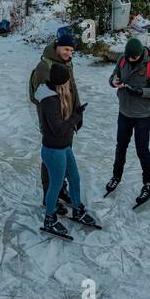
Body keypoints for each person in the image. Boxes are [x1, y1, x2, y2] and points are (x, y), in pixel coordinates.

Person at [36, 63, 94, 238]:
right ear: (61, 84)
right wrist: (77, 116)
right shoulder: (50, 100)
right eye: (67, 83)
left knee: (74, 177)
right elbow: (58, 129)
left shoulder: (55, 96)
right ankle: (50, 218)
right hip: (53, 150)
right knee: (55, 184)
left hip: (64, 147)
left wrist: (75, 112)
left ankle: (77, 209)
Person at [106, 36, 150, 205]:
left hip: (142, 115)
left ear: (140, 54)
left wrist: (140, 91)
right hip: (124, 111)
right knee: (121, 147)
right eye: (128, 56)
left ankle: (148, 184)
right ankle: (116, 176)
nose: (130, 59)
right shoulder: (122, 59)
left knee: (142, 150)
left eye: (134, 57)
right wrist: (113, 81)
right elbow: (113, 76)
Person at [28, 32, 78, 213]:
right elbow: (38, 96)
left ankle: (60, 189)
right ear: (57, 47)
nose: (69, 53)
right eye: (66, 49)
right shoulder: (44, 67)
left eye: (71, 50)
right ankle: (49, 194)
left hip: (68, 119)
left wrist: (75, 112)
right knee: (51, 159)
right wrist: (52, 120)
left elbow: (71, 89)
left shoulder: (67, 63)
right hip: (53, 123)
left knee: (64, 158)